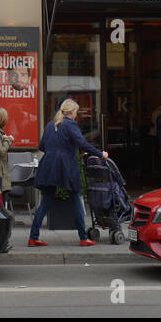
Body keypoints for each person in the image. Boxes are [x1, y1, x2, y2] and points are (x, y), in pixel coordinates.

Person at [28, 98, 106, 247]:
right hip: (66, 167)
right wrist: (100, 154)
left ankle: (33, 237)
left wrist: (54, 151)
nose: (76, 115)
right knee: (76, 198)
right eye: (76, 112)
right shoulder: (71, 124)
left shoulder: (51, 125)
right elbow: (82, 143)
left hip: (49, 165)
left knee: (45, 202)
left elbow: (42, 146)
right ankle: (83, 238)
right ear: (70, 112)